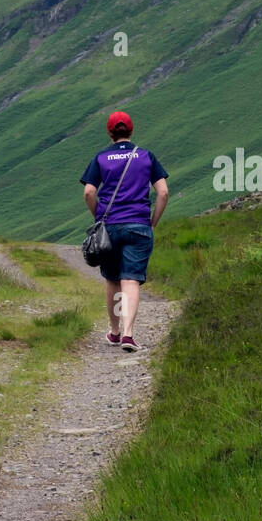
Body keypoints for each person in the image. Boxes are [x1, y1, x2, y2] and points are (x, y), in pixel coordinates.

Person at [79, 110, 168, 352]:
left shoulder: (101, 158)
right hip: (139, 225)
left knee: (112, 278)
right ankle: (129, 334)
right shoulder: (146, 156)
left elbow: (88, 192)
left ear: (109, 132)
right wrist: (153, 222)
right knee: (131, 280)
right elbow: (163, 192)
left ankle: (115, 332)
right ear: (131, 130)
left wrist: (100, 217)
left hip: (110, 226)